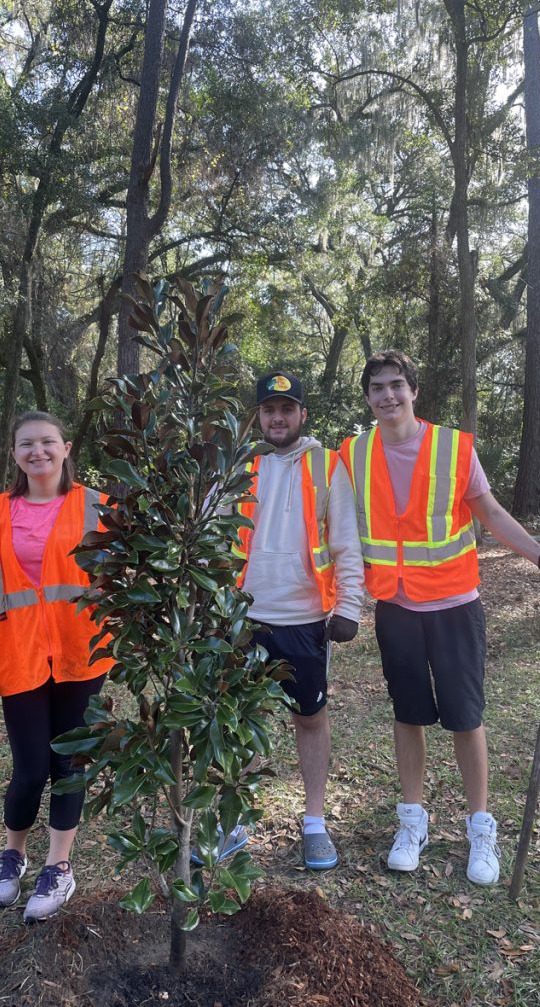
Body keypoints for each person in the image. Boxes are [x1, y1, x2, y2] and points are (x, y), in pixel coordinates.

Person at [340, 351, 540, 885]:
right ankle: (412, 823)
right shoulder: (351, 453)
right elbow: (330, 516)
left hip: (454, 605)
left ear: (414, 391)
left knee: (465, 718)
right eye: (377, 387)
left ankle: (481, 829)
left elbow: (491, 512)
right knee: (409, 716)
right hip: (395, 608)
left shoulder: (453, 447)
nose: (388, 396)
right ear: (367, 397)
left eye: (396, 385)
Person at [0, 411, 111, 921]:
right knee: (30, 769)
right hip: (18, 656)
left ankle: (59, 866)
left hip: (81, 655)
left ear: (66, 448)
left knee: (69, 766)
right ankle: (13, 855)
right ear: (14, 452)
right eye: (28, 444)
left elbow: (122, 580)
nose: (38, 452)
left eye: (48, 442)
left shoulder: (98, 507)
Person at [230, 370, 364, 870]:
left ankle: (314, 823)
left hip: (305, 619)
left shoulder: (328, 465)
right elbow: (210, 539)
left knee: (309, 719)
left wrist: (349, 607)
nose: (277, 417)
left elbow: (347, 543)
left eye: (287, 408)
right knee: (237, 720)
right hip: (241, 617)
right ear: (259, 416)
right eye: (269, 409)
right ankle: (232, 821)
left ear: (302, 414)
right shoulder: (238, 468)